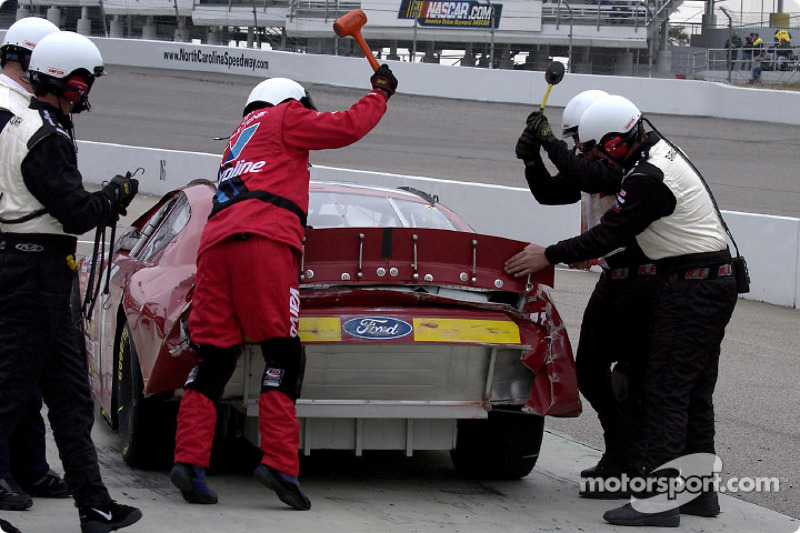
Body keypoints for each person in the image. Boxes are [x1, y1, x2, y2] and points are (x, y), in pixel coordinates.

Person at [170, 65, 398, 511]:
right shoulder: (284, 116)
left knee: (214, 357)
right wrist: (380, 93)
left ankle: (189, 462)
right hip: (265, 242)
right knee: (283, 353)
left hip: (215, 247)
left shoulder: (239, 134)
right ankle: (278, 464)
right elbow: (346, 127)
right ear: (291, 101)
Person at [505, 95, 739, 527]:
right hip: (703, 281)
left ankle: (658, 500)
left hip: (689, 285)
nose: (587, 157)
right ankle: (699, 493)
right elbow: (579, 195)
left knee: (666, 391)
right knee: (690, 393)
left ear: (614, 142)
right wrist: (537, 159)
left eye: (591, 148)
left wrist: (549, 255)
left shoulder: (648, 174)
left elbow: (608, 233)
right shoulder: (650, 158)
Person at [0, 31, 142, 533]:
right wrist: (116, 194)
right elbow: (76, 213)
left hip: (42, 273)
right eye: (86, 81)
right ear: (69, 81)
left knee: (71, 400)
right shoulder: (43, 136)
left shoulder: (35, 125)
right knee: (11, 396)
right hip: (30, 274)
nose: (89, 91)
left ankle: (95, 507)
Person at [515, 90, 659, 499]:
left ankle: (633, 462)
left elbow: (585, 175)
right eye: (576, 143)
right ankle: (621, 454)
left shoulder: (625, 169)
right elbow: (551, 191)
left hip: (645, 281)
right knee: (592, 372)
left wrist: (548, 143)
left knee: (630, 377)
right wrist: (530, 159)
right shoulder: (591, 168)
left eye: (583, 143)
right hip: (615, 279)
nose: (582, 152)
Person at [0, 16, 70, 512]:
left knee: (26, 368)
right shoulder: (9, 109)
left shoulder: (19, 106)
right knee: (11, 369)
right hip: (15, 251)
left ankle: (25, 466)